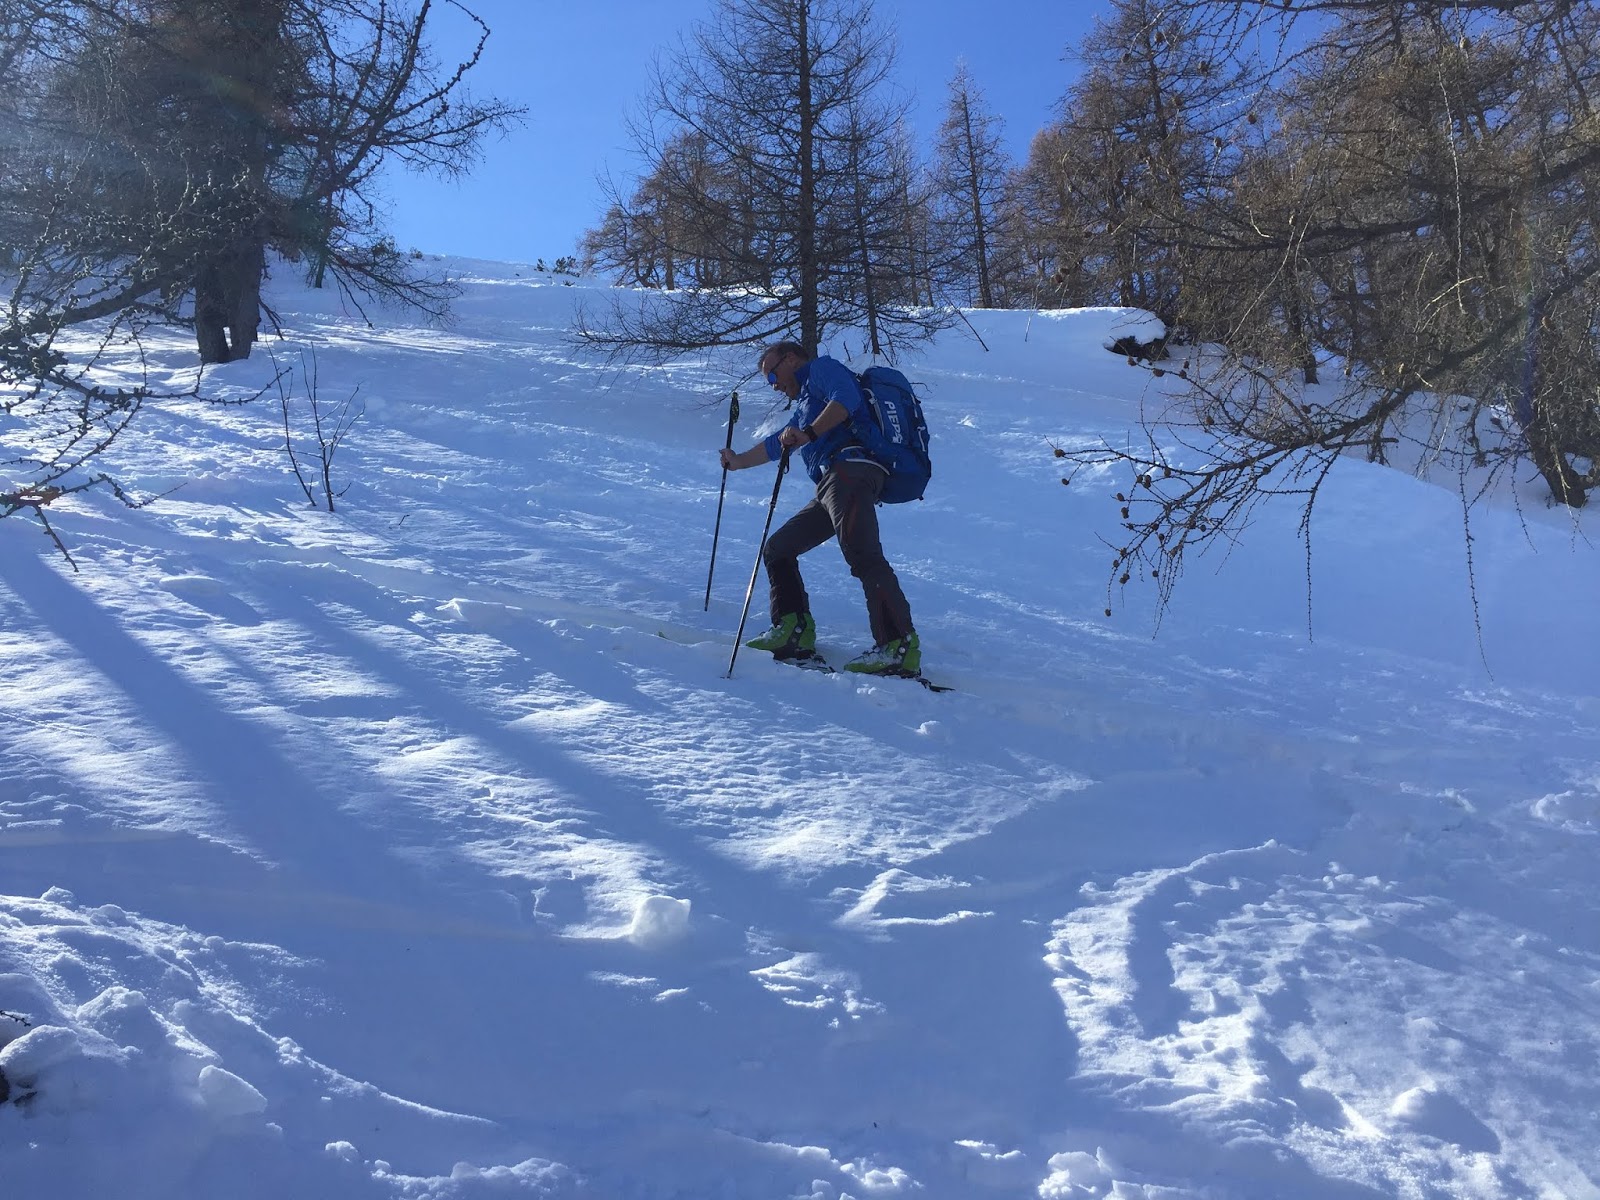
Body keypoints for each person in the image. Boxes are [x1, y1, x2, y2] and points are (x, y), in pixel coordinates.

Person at [719, 340, 919, 675]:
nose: (775, 385)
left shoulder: (823, 370)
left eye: (773, 375)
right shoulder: (806, 404)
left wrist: (809, 434)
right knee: (779, 548)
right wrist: (737, 462)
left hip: (851, 471)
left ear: (792, 358)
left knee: (862, 553)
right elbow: (777, 443)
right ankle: (793, 629)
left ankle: (898, 646)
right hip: (833, 482)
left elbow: (847, 399)